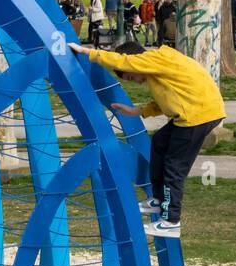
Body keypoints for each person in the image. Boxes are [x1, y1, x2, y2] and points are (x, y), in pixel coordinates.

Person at [67, 36, 226, 238]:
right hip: (196, 111)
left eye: (131, 77)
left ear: (135, 60)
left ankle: (170, 221)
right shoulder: (157, 68)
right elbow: (171, 98)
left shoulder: (155, 58)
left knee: (174, 167)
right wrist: (138, 111)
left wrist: (89, 53)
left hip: (198, 115)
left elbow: (124, 61)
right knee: (159, 142)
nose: (135, 81)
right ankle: (159, 200)